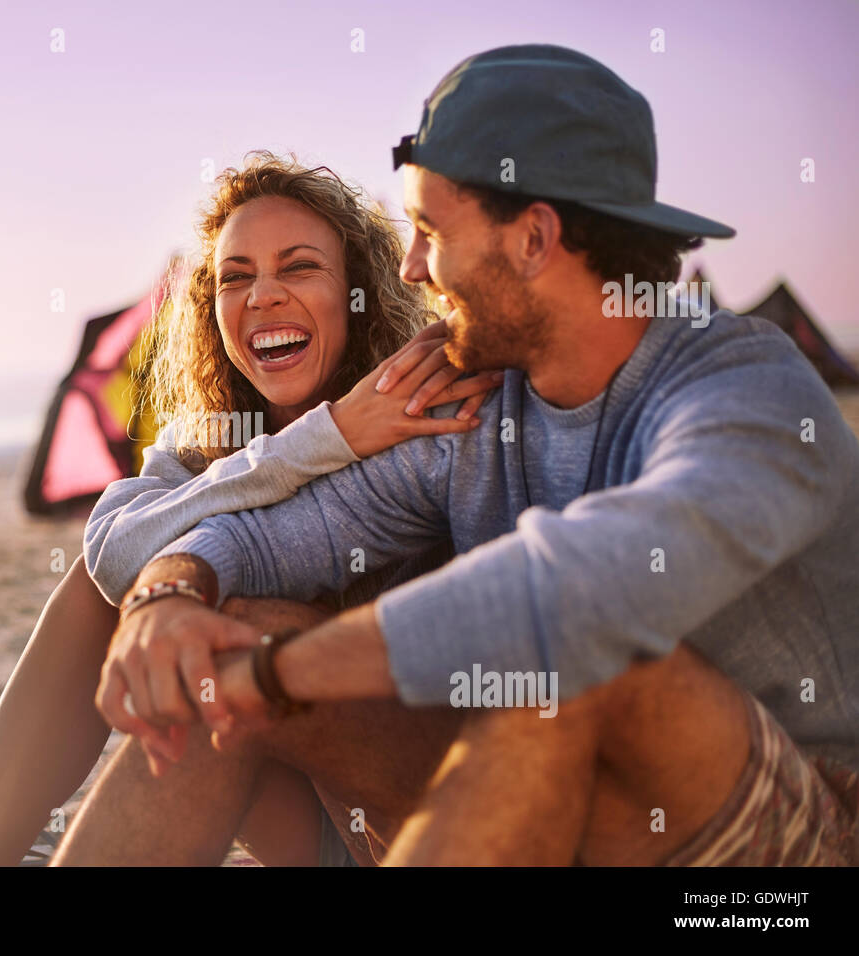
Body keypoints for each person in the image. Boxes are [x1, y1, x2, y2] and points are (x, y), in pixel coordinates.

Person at [57, 44, 859, 866]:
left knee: (582, 670)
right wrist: (171, 598)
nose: (410, 268)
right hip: (559, 810)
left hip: (792, 845)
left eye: (431, 232)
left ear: (534, 239)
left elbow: (580, 595)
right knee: (230, 633)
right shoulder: (476, 406)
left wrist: (280, 675)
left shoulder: (745, 390)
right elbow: (278, 535)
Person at [0, 152, 502, 866]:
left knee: (241, 633)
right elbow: (110, 550)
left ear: (357, 291)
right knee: (94, 594)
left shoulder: (415, 410)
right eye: (236, 277)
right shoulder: (210, 435)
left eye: (298, 268)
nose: (262, 296)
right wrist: (325, 439)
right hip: (291, 809)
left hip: (404, 811)